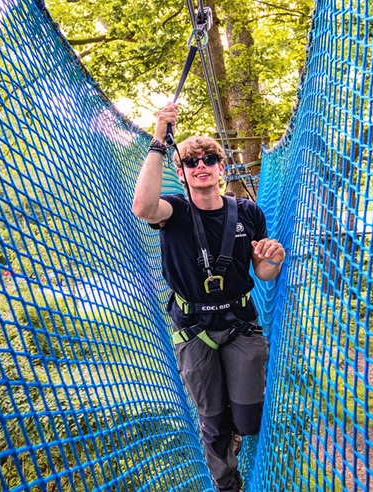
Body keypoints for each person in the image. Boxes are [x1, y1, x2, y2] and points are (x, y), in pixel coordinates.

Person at [131, 102, 285, 492]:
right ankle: (227, 483)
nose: (201, 165)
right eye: (192, 161)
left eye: (210, 158)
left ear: (221, 166)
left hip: (240, 325)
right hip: (194, 329)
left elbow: (262, 273)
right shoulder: (175, 211)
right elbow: (143, 207)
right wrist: (158, 142)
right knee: (213, 420)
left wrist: (273, 262)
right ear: (180, 173)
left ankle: (238, 431)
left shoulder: (248, 212)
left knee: (248, 420)